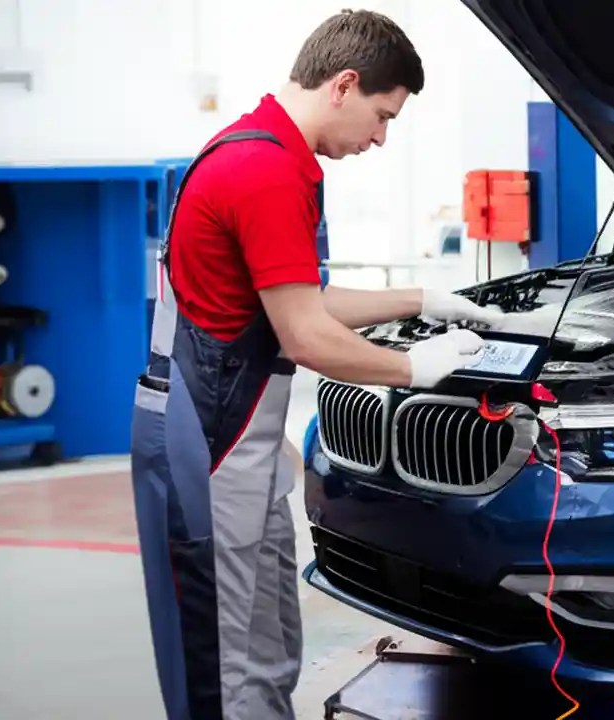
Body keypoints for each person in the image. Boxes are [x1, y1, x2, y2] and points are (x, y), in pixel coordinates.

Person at [129, 9, 500, 720]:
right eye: (382, 116)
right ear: (345, 84)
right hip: (207, 444)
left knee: (269, 649)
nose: (381, 138)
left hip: (244, 445)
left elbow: (303, 296)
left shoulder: (279, 157)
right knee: (226, 671)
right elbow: (304, 336)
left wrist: (423, 298)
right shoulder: (262, 167)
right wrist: (417, 368)